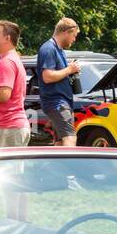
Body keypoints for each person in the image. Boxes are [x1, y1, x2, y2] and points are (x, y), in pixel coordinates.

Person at [37, 17, 81, 146]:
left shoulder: (58, 50)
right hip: (57, 103)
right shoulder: (49, 48)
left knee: (61, 142)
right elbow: (47, 76)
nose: (74, 39)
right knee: (70, 138)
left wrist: (71, 71)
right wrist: (69, 69)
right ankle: (69, 166)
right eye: (74, 35)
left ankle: (57, 166)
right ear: (66, 32)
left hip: (60, 102)